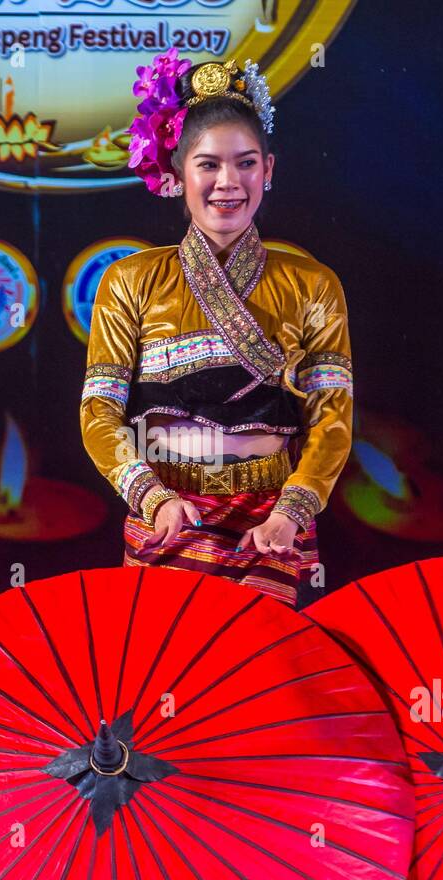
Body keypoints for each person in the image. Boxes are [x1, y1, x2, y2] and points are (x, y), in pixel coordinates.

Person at [80, 52, 353, 607]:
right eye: (208, 165)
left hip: (270, 524)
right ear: (176, 174)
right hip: (168, 517)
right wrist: (152, 497)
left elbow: (332, 419)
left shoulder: (312, 283)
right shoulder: (129, 281)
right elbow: (99, 413)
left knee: (259, 681)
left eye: (245, 163)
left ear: (268, 170)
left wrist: (291, 512)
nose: (228, 182)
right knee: (160, 680)